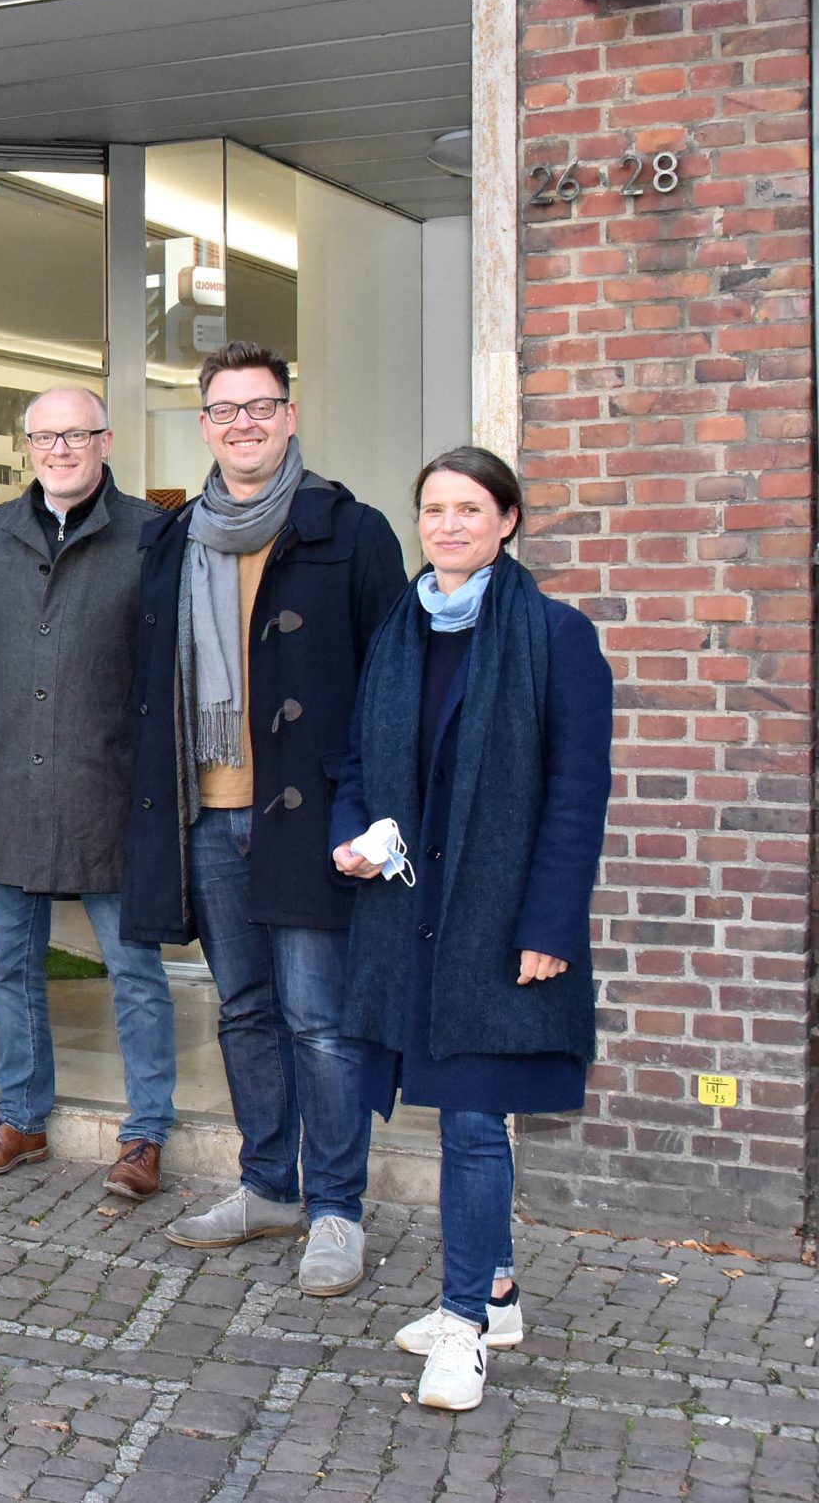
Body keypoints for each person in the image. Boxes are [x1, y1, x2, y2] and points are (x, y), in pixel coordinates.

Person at [331, 447, 610, 1412]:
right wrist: (352, 838)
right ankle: (495, 1291)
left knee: (474, 1116)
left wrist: (550, 925)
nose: (447, 526)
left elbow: (577, 795)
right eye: (434, 510)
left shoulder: (557, 636)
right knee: (458, 1107)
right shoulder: (398, 633)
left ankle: (462, 1327)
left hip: (498, 921)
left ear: (508, 521)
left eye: (469, 509)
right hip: (410, 914)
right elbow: (357, 763)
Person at [129, 341, 406, 1294]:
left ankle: (336, 1209)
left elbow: (390, 690)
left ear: (290, 417)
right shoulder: (172, 540)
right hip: (208, 815)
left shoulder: (351, 530)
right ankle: (267, 1186)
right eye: (224, 409)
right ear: (204, 426)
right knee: (244, 1011)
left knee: (320, 1021)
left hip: (313, 820)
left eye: (260, 407)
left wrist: (376, 816)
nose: (243, 424)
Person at [0, 388, 176, 1198]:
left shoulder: (150, 534)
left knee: (134, 972)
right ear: (29, 446)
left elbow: (169, 674)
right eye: (45, 437)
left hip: (112, 788)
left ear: (105, 441)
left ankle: (145, 1134)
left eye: (76, 434)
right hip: (10, 782)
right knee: (12, 966)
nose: (60, 450)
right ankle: (21, 1119)